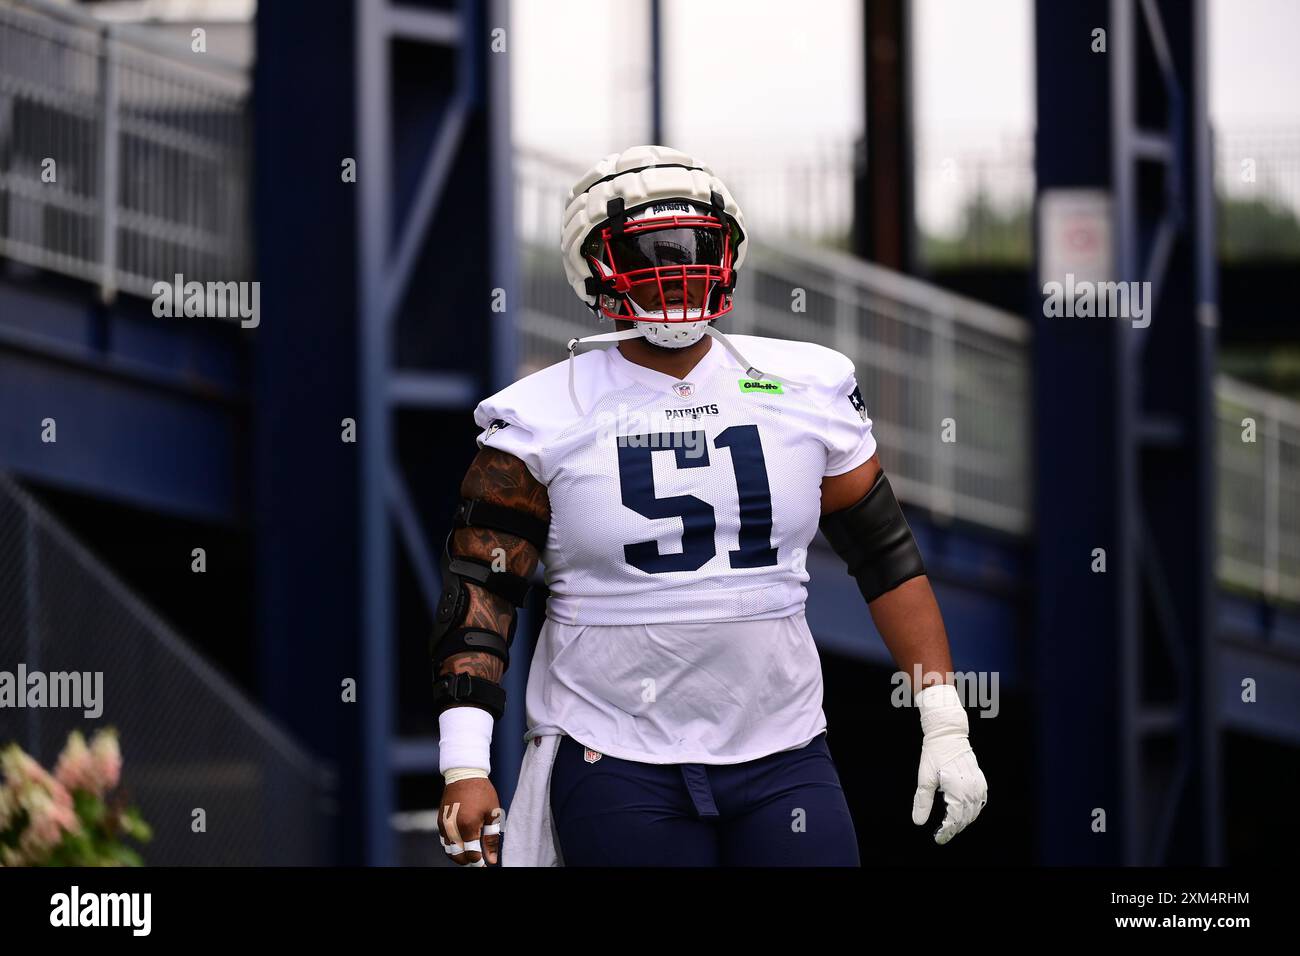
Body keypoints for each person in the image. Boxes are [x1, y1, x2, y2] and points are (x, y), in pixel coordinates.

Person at [431, 145, 987, 866]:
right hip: (615, 754)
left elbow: (884, 554)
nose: (678, 264)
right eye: (654, 248)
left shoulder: (803, 387)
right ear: (594, 265)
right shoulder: (541, 416)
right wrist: (464, 763)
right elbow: (482, 592)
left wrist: (944, 718)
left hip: (782, 749)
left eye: (696, 244)